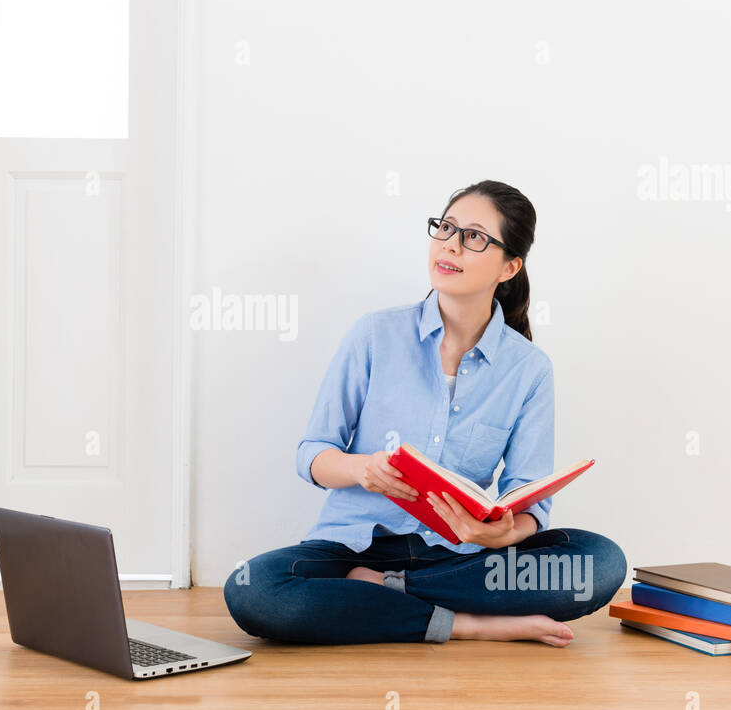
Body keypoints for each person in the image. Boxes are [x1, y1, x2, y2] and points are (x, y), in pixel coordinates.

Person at [223, 180, 626, 646]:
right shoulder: (375, 335)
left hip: (462, 558)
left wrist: (500, 534)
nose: (450, 245)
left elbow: (530, 502)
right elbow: (312, 453)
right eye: (446, 228)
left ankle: (390, 596)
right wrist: (362, 468)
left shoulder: (529, 369)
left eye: (474, 237)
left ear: (510, 266)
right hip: (353, 549)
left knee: (598, 562)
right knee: (255, 591)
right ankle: (466, 624)